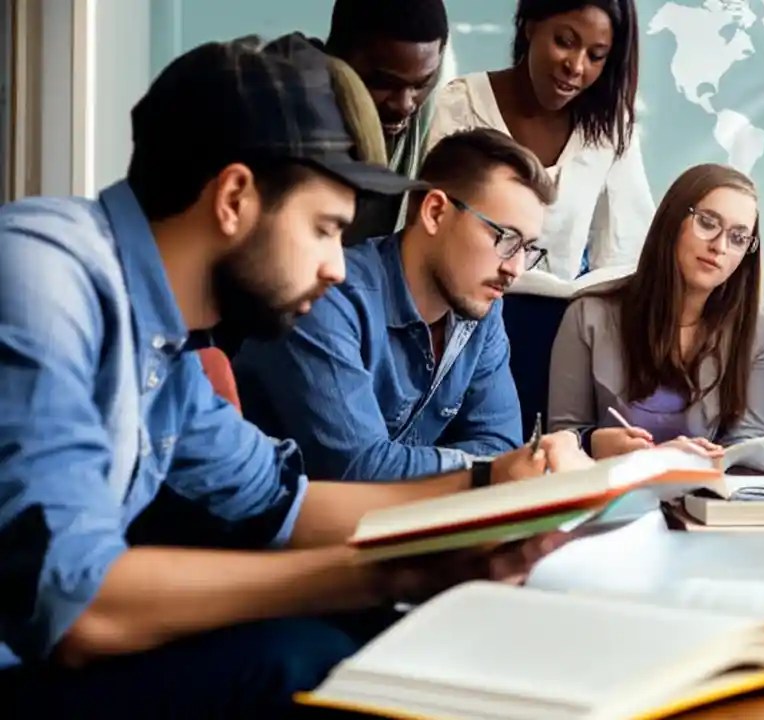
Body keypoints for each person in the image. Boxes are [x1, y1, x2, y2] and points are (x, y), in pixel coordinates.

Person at [0, 35, 587, 718]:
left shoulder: (167, 345)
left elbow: (285, 504)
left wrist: (495, 487)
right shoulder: (44, 281)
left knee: (364, 640)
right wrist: (385, 574)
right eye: (323, 228)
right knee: (298, 658)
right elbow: (77, 605)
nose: (337, 265)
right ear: (235, 199)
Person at [234, 128, 554, 481]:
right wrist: (487, 471)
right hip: (273, 530)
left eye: (527, 247)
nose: (516, 268)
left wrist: (493, 467)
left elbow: (503, 445)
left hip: (399, 527)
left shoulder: (482, 308)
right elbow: (359, 469)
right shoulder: (327, 296)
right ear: (434, 212)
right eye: (505, 238)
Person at [547, 163, 764, 471]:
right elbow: (560, 438)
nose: (719, 246)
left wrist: (685, 462)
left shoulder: (761, 332)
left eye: (739, 237)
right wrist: (594, 442)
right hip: (608, 494)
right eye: (707, 222)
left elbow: (747, 449)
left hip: (705, 502)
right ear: (673, 220)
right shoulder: (587, 316)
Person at [426, 0, 652, 280]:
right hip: (460, 309)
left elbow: (623, 256)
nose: (576, 66)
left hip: (556, 315)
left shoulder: (610, 130)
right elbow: (429, 232)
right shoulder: (463, 105)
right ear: (530, 25)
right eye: (565, 41)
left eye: (596, 56)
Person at [323, 0, 455, 239]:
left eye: (421, 84)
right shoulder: (289, 139)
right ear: (336, 57)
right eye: (383, 84)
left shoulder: (444, 134)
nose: (404, 105)